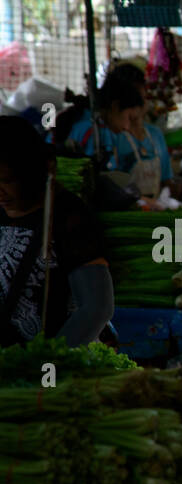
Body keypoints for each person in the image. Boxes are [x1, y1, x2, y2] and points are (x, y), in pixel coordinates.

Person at [0, 116, 114, 346]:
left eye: (7, 180)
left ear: (30, 171)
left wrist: (49, 361)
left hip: (49, 366)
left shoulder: (69, 216)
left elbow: (96, 307)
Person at [106, 62, 173, 198]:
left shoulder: (156, 135)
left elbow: (166, 180)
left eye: (144, 91)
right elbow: (110, 184)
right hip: (126, 213)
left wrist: (166, 200)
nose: (143, 98)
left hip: (155, 211)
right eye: (138, 92)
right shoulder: (113, 134)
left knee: (179, 220)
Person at [54, 70, 144, 171]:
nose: (128, 127)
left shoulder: (106, 128)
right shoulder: (90, 129)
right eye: (130, 118)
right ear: (115, 106)